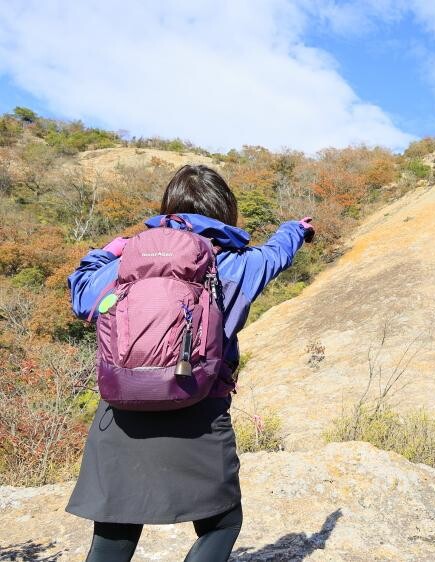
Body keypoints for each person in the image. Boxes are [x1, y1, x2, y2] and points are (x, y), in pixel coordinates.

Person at [65, 164, 314, 561]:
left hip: (121, 414)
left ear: (168, 208)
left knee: (115, 532)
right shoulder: (236, 265)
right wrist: (295, 229)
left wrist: (106, 251)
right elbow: (276, 254)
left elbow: (81, 294)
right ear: (225, 211)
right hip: (200, 411)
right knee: (222, 523)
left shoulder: (127, 263)